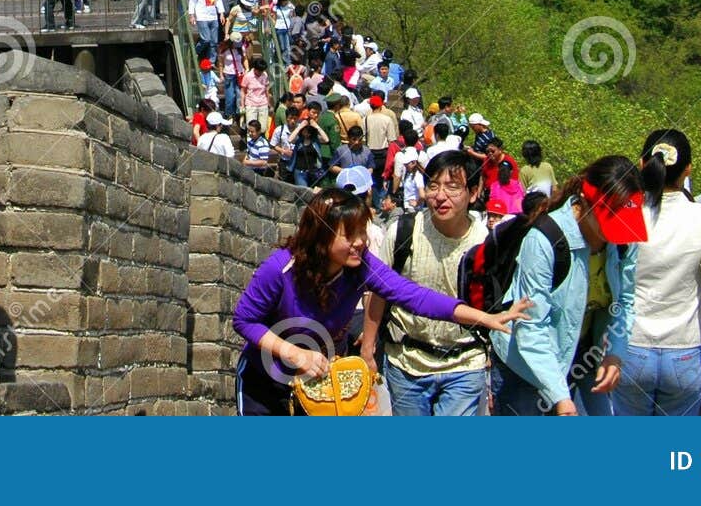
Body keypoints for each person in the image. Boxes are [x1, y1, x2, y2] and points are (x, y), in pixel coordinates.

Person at [231, 189, 529, 415]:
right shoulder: (280, 268)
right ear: (321, 235)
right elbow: (244, 320)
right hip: (265, 383)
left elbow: (416, 296)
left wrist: (482, 317)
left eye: (363, 231)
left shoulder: (362, 267)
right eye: (350, 234)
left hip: (321, 387)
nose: (361, 241)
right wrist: (293, 352)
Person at [490, 156, 645, 416]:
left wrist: (615, 354)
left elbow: (626, 302)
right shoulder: (545, 240)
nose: (616, 230)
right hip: (524, 364)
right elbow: (530, 326)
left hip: (581, 355)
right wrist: (559, 396)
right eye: (609, 217)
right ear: (584, 200)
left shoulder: (624, 240)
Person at [613, 129, 701, 417]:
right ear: (689, 169)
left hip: (630, 344)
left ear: (642, 164)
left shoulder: (623, 215)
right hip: (686, 350)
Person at [362, 150, 491, 415]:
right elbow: (379, 292)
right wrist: (368, 348)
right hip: (406, 362)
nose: (440, 196)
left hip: (465, 363)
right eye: (433, 186)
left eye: (453, 187)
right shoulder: (403, 232)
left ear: (474, 193)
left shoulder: (487, 243)